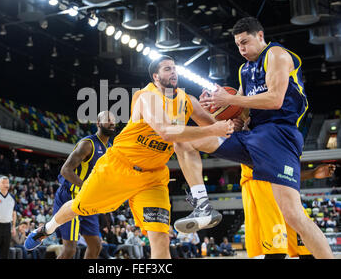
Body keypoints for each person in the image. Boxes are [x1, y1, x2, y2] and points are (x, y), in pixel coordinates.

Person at [25, 56, 233, 258]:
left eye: (174, 68)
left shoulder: (188, 101)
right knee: (78, 205)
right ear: (155, 77)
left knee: (161, 238)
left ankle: (201, 203)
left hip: (153, 178)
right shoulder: (147, 97)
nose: (173, 72)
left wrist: (227, 108)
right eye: (167, 69)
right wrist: (215, 129)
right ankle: (47, 228)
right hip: (119, 168)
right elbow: (166, 131)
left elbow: (215, 127)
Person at [172, 17, 334, 259]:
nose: (242, 49)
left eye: (245, 42)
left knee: (293, 215)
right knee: (184, 139)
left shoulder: (277, 55)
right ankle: (202, 205)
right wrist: (221, 112)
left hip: (279, 136)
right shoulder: (245, 69)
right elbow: (241, 111)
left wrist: (230, 101)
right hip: (250, 136)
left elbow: (275, 99)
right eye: (238, 45)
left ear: (260, 36)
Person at [50, 111, 115, 259]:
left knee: (96, 246)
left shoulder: (110, 150)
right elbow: (65, 170)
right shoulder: (88, 144)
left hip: (88, 199)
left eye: (114, 121)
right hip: (69, 197)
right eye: (108, 120)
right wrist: (87, 187)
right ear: (98, 123)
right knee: (70, 250)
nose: (112, 123)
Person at [240, 163, 336, 259]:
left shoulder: (293, 150)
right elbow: (267, 166)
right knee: (277, 251)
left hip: (283, 186)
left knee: (307, 249)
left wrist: (312, 173)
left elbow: (286, 173)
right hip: (261, 186)